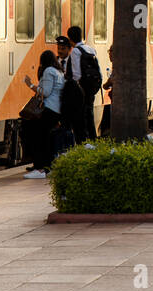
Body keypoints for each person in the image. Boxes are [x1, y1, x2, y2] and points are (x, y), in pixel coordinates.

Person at [21, 50, 64, 179]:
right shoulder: (59, 72)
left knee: (38, 138)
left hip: (49, 110)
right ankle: (48, 167)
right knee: (46, 139)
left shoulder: (48, 71)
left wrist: (30, 84)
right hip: (56, 110)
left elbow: (45, 92)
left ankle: (40, 168)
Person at [68, 26, 101, 142]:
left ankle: (84, 143)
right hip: (92, 88)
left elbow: (77, 74)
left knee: (81, 118)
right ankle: (93, 140)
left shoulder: (76, 51)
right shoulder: (90, 49)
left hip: (82, 89)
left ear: (70, 39)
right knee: (90, 115)